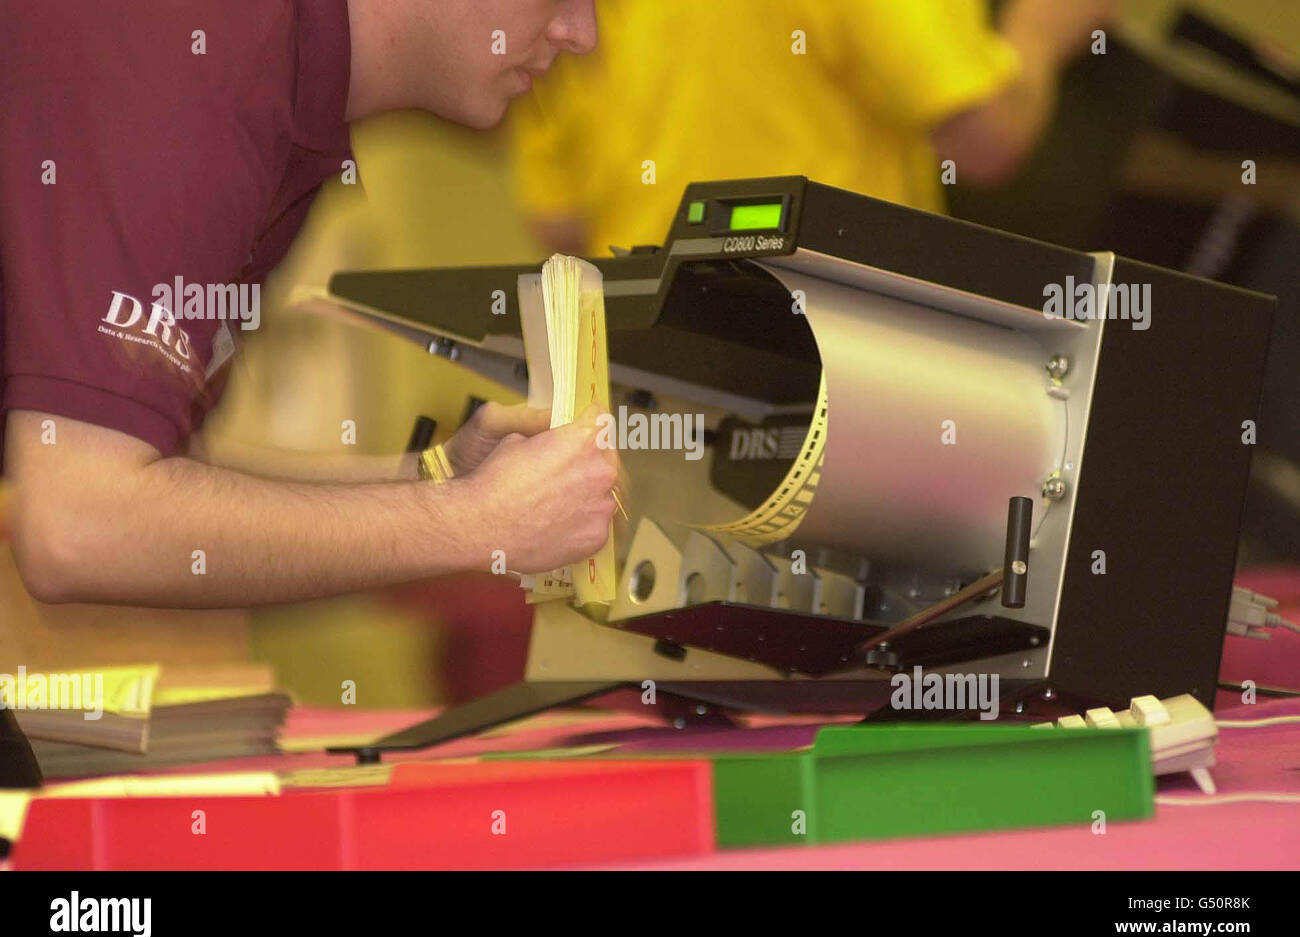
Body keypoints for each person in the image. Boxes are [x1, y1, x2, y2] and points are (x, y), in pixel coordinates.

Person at [0, 0, 618, 608]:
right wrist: (473, 522)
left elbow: (149, 474)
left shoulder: (272, 79)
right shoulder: (206, 53)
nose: (582, 33)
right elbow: (79, 525)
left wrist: (436, 479)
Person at [511, 0, 1121, 257]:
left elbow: (556, 219)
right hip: (833, 375)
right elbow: (986, 136)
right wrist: (1043, 31)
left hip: (646, 374)